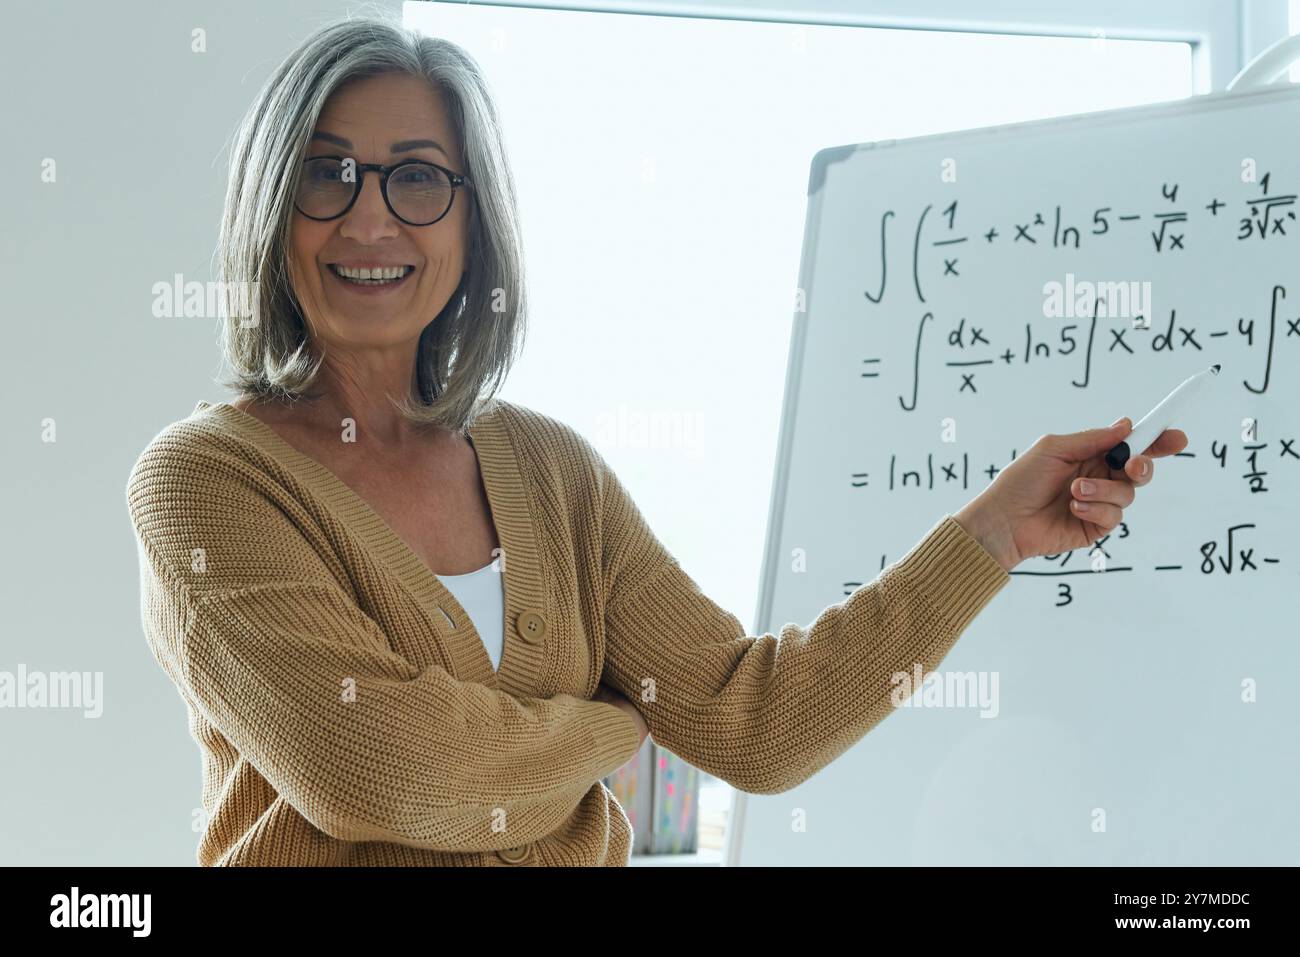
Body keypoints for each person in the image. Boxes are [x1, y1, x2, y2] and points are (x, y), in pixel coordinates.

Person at [125, 16, 1187, 867]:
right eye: (324, 173)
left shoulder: (552, 472)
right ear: (270, 210)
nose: (369, 220)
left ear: (469, 220)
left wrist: (992, 533)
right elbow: (384, 771)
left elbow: (753, 722)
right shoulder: (205, 481)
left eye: (415, 176)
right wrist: (610, 729)